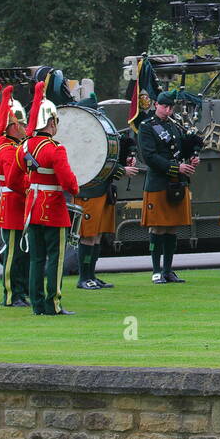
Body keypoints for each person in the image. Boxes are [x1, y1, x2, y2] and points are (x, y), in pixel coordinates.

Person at [22, 93, 80, 315]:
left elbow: (20, 173)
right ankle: (53, 303)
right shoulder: (55, 149)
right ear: (51, 121)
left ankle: (37, 305)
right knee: (55, 258)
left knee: (36, 258)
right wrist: (76, 189)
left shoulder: (25, 146)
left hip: (32, 206)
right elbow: (68, 181)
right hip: (52, 207)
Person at [72, 107, 139, 290]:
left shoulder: (96, 137)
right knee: (88, 236)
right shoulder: (82, 141)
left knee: (98, 236)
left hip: (102, 190)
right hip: (89, 193)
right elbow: (95, 164)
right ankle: (84, 277)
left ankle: (91, 275)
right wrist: (121, 170)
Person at [137, 89, 200, 284]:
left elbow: (181, 149)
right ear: (157, 105)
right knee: (157, 228)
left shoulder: (175, 127)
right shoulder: (147, 127)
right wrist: (176, 167)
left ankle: (168, 270)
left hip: (177, 184)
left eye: (170, 107)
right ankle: (156, 271)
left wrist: (192, 157)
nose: (167, 110)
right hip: (158, 183)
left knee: (172, 228)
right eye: (164, 106)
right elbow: (149, 157)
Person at [0, 85, 30, 307]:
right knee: (13, 254)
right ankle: (12, 294)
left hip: (21, 204)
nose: (24, 127)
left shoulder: (15, 145)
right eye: (21, 124)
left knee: (23, 254)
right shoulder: (6, 149)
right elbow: (15, 180)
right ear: (12, 126)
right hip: (13, 204)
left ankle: (22, 291)